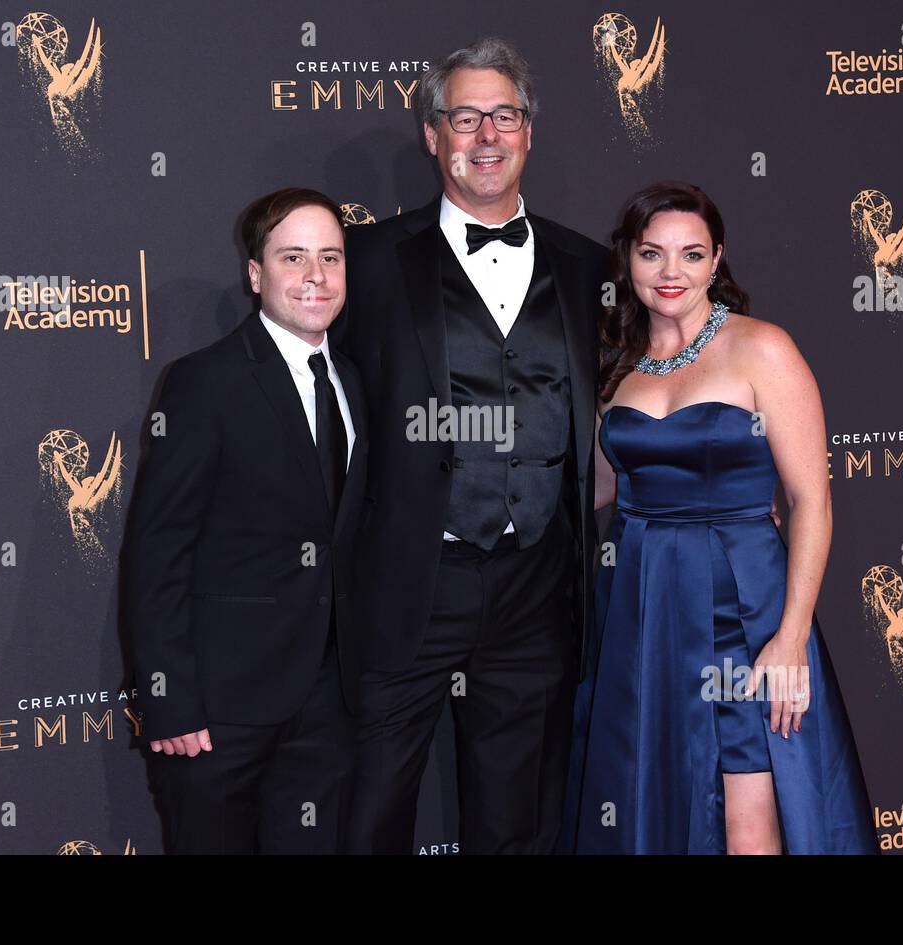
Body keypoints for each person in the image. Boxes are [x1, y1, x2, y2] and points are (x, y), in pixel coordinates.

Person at [333, 37, 610, 853]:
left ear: (530, 131)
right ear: (432, 135)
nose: (485, 136)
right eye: (465, 117)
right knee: (370, 815)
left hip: (538, 589)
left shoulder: (590, 265)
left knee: (515, 824)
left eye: (504, 116)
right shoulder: (368, 260)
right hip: (412, 584)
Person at [561, 181, 879, 854]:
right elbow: (594, 487)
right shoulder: (619, 366)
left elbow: (812, 501)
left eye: (690, 254)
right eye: (653, 254)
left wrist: (791, 637)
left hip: (743, 604)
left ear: (717, 259)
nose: (671, 272)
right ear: (629, 261)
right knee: (655, 796)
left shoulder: (762, 348)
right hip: (641, 605)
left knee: (746, 815)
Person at [123, 188, 367, 853]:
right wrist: (169, 700)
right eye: (294, 257)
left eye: (331, 257)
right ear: (255, 274)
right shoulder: (205, 383)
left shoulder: (351, 380)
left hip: (326, 709)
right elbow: (156, 552)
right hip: (217, 714)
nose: (316, 276)